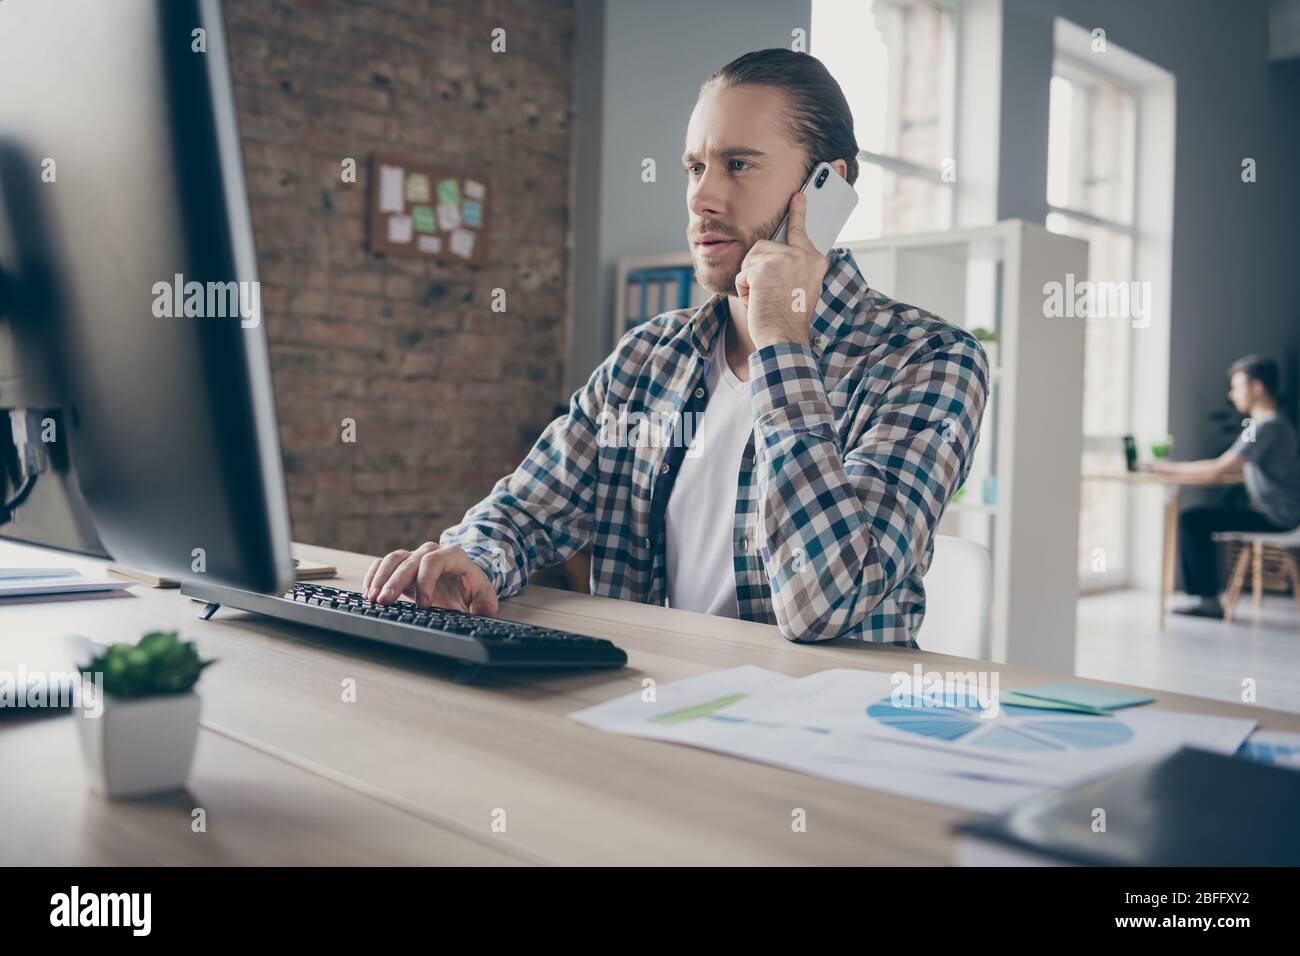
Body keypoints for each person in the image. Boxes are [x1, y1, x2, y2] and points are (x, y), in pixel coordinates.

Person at [363, 49, 989, 645]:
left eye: (739, 165)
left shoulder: (928, 361)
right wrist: (473, 559)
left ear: (828, 188)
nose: (701, 198)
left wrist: (781, 342)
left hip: (822, 736)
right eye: (696, 168)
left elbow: (826, 602)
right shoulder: (647, 358)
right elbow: (525, 513)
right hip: (645, 707)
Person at [1145, 355, 1300, 618]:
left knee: (1193, 520)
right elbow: (1232, 466)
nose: (1231, 395)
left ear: (1258, 387)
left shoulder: (1266, 426)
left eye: (1237, 386)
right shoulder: (1267, 425)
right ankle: (1205, 597)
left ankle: (1207, 601)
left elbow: (1221, 468)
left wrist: (1169, 468)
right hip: (1279, 513)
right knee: (1198, 518)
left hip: (1277, 517)